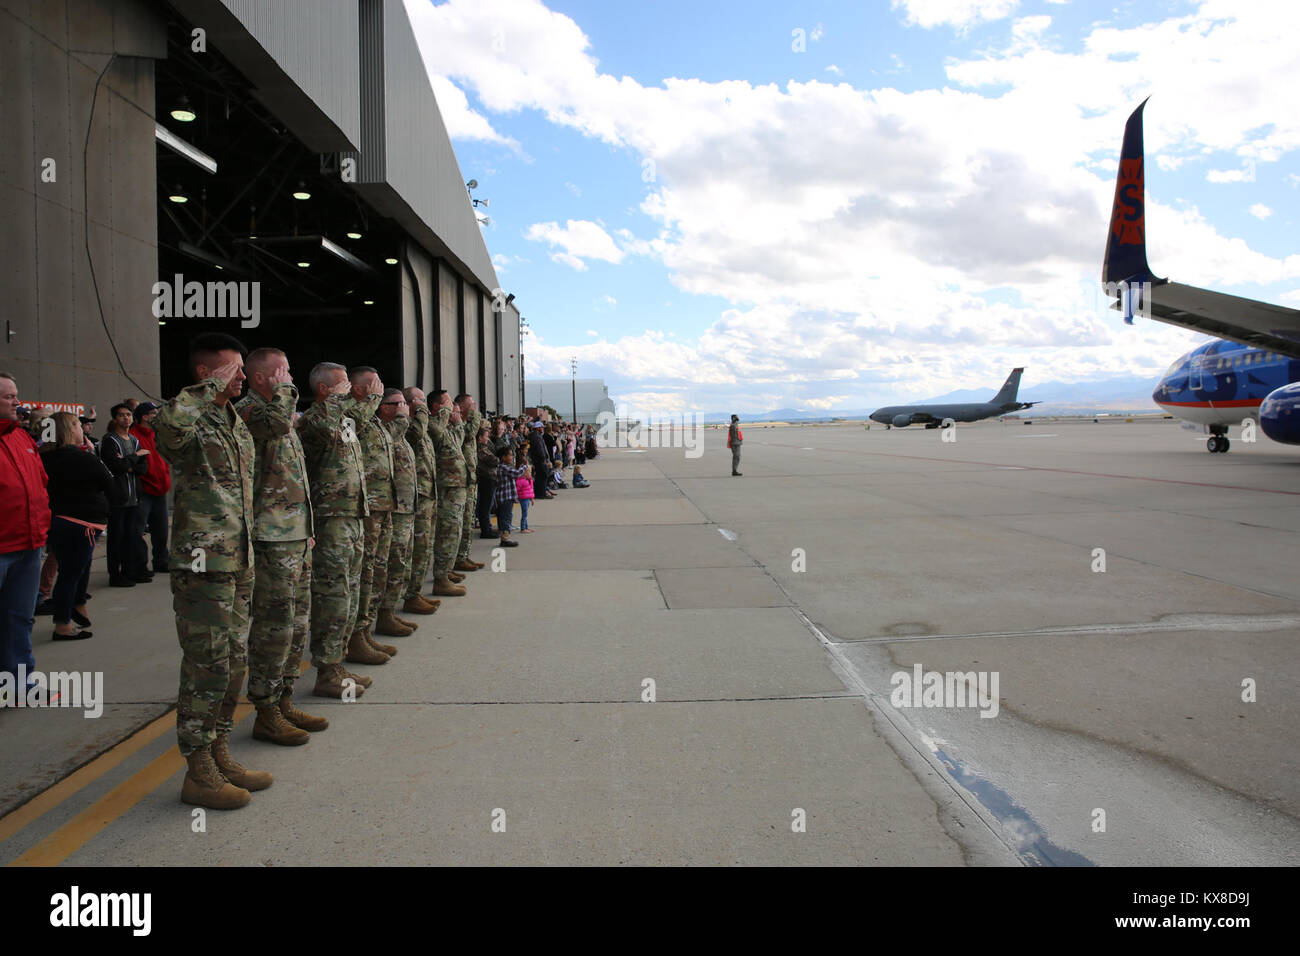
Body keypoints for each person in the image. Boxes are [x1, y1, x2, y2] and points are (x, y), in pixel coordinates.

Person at [154, 333, 264, 810]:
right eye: (233, 369)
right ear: (205, 374)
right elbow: (169, 433)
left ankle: (219, 749)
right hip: (203, 562)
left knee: (233, 658)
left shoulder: (231, 419)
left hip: (238, 557)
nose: (242, 376)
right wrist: (203, 390)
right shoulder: (189, 415)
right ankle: (198, 769)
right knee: (207, 663)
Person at [235, 347, 325, 745]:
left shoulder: (280, 412)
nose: (289, 377)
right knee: (273, 627)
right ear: (259, 379)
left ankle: (284, 698)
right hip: (270, 539)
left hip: (294, 535)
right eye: (282, 371)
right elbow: (273, 428)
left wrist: (306, 526)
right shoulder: (251, 412)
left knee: (296, 623)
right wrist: (285, 393)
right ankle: (266, 710)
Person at [297, 362, 376, 698]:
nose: (350, 390)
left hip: (352, 515)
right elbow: (328, 424)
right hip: (330, 519)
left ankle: (339, 659)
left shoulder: (343, 420)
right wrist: (355, 398)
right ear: (324, 390)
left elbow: (358, 418)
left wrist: (367, 398)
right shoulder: (315, 419)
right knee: (333, 594)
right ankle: (326, 670)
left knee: (349, 593)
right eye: (343, 384)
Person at [40, 413, 115, 641]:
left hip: (59, 521)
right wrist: (93, 454)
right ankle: (63, 623)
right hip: (81, 523)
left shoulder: (44, 457)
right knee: (71, 574)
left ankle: (77, 605)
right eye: (78, 425)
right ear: (71, 429)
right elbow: (110, 483)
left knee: (75, 570)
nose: (83, 429)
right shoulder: (84, 458)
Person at [0, 372, 51, 703]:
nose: (16, 402)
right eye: (8, 396)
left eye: (16, 395)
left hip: (29, 546)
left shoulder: (21, 438)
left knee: (18, 618)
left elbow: (41, 484)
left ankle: (18, 684)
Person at [347, 367, 399, 663]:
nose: (378, 390)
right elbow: (354, 422)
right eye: (373, 386)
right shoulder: (354, 416)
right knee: (365, 572)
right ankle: (356, 636)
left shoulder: (375, 420)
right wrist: (374, 400)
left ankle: (366, 630)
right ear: (357, 390)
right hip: (366, 509)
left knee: (377, 570)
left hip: (383, 504)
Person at [376, 387, 421, 638]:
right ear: (385, 407)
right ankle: (383, 615)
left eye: (406, 404)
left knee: (401, 561)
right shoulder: (385, 431)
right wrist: (403, 419)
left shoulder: (400, 433)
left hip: (407, 504)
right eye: (400, 404)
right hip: (394, 508)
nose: (406, 408)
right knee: (392, 564)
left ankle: (390, 612)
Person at [99, 403, 150, 586]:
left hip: (134, 497)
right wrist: (134, 458)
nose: (126, 418)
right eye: (121, 415)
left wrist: (129, 463)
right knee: (116, 539)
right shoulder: (110, 440)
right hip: (118, 498)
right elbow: (114, 465)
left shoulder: (134, 440)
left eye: (128, 414)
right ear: (115, 419)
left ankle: (131, 571)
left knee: (132, 536)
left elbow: (143, 468)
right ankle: (115, 574)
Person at [401, 387, 440, 618]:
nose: (424, 404)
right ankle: (411, 595)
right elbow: (415, 435)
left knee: (426, 546)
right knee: (418, 547)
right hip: (416, 496)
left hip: (427, 491)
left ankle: (415, 592)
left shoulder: (420, 424)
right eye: (420, 400)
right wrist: (421, 412)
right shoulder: (408, 424)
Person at [428, 391, 469, 596]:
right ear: (436, 406)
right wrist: (446, 414)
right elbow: (436, 433)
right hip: (446, 489)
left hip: (456, 487)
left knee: (455, 532)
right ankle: (441, 578)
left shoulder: (449, 428)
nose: (452, 406)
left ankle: (446, 571)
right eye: (446, 402)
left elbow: (460, 438)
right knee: (447, 533)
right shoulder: (433, 424)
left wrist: (458, 420)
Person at [130, 402, 172, 574]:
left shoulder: (158, 435)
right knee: (137, 530)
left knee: (161, 531)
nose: (157, 416)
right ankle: (139, 565)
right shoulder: (133, 436)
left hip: (160, 489)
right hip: (144, 490)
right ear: (144, 416)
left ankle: (161, 561)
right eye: (154, 413)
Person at [453, 393, 483, 575]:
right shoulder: (460, 427)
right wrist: (475, 414)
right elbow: (470, 434)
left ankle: (463, 555)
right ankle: (458, 558)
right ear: (462, 406)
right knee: (460, 523)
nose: (474, 407)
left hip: (469, 479)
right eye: (470, 404)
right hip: (460, 480)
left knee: (469, 520)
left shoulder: (464, 425)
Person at [493, 447, 525, 547]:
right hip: (505, 497)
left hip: (506, 496)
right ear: (503, 457)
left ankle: (504, 536)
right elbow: (517, 473)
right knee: (505, 517)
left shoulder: (504, 466)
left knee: (505, 516)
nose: (512, 457)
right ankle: (505, 539)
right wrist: (524, 466)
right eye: (510, 455)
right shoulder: (503, 467)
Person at [476, 429, 499, 539]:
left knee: (487, 505)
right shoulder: (480, 449)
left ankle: (488, 527)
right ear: (480, 438)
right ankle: (485, 530)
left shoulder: (484, 448)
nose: (487, 438)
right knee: (485, 506)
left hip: (489, 479)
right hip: (486, 479)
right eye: (485, 436)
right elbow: (494, 460)